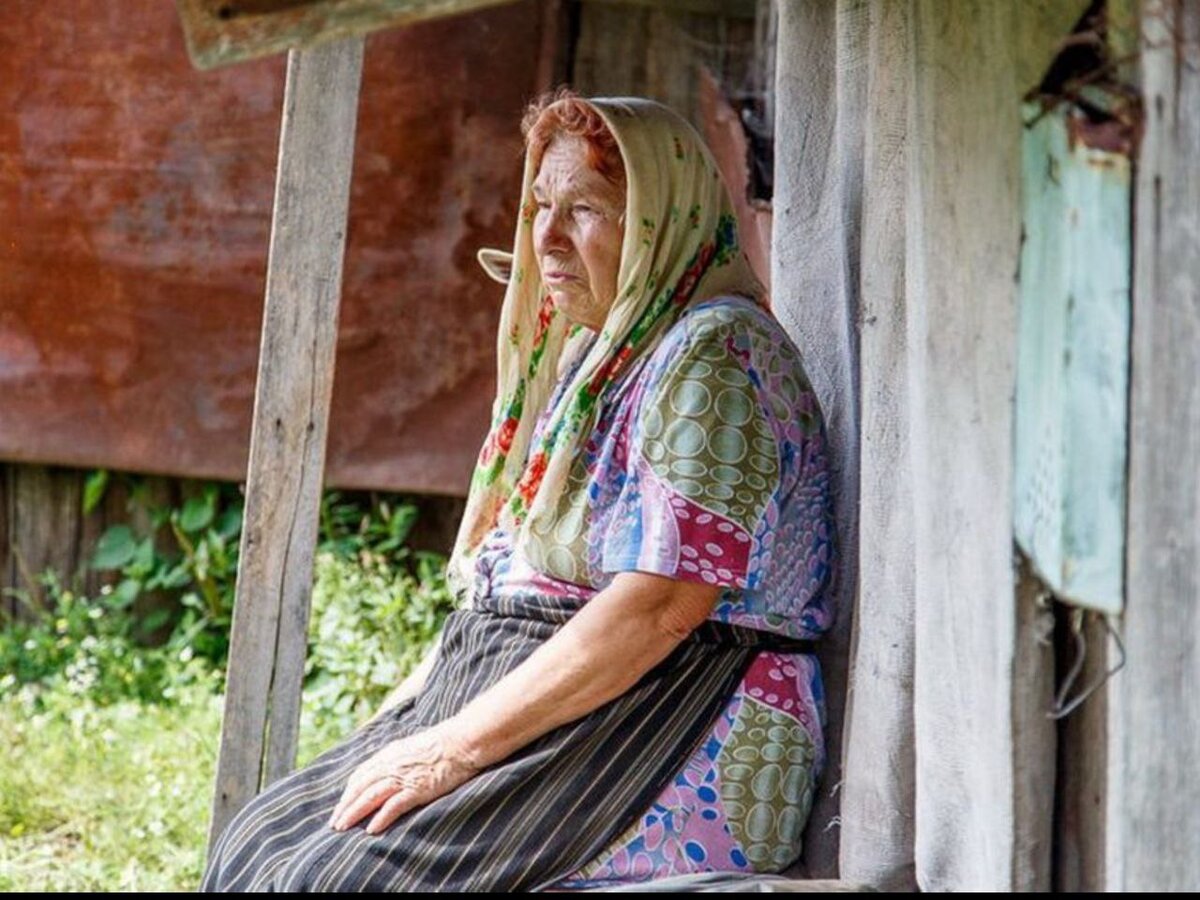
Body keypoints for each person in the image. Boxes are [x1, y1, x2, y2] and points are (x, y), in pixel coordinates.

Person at [200, 90, 835, 892]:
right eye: (540, 205)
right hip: (568, 697)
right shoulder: (605, 349)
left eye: (588, 209)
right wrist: (414, 716)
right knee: (262, 840)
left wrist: (452, 748)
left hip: (673, 715)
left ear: (659, 223)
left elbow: (662, 606)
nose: (549, 239)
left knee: (338, 881)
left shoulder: (715, 357)